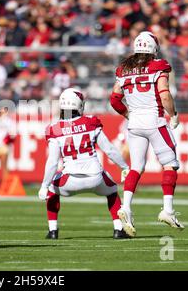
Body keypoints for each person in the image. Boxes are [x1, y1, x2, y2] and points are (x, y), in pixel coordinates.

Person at [110, 31, 184, 237]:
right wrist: (174, 115)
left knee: (136, 168)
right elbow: (165, 94)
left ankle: (126, 207)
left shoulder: (124, 69)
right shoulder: (159, 66)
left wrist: (128, 115)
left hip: (134, 124)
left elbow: (115, 100)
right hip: (156, 120)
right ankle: (168, 210)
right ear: (154, 48)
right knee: (170, 164)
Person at [38, 88, 130, 240]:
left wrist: (44, 185)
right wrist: (124, 167)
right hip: (96, 177)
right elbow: (109, 150)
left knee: (52, 190)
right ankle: (118, 230)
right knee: (113, 191)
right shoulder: (91, 122)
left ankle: (53, 231)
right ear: (80, 105)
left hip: (70, 180)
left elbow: (53, 162)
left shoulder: (53, 128)